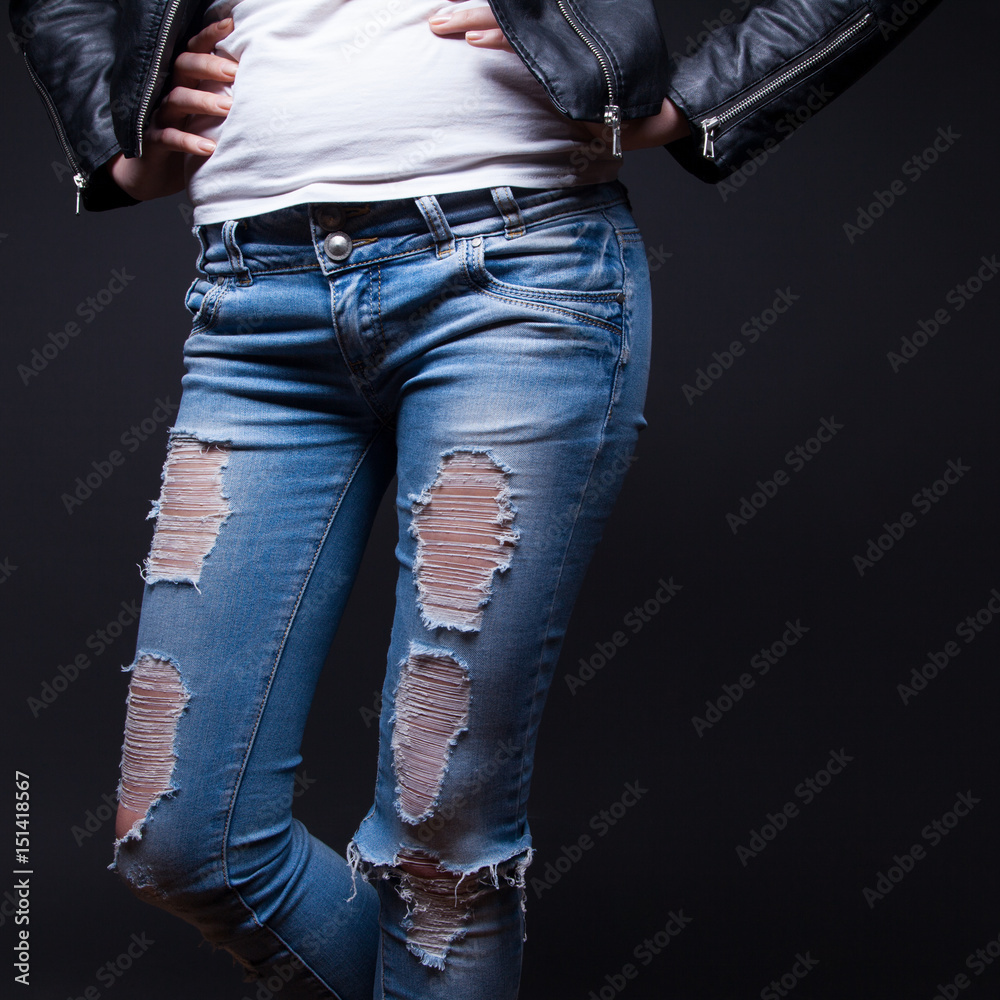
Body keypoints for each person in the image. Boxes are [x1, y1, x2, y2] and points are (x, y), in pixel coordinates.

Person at [9, 1, 943, 997]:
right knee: (180, 841)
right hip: (251, 298)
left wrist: (695, 105)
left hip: (515, 273)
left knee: (439, 844)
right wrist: (111, 140)